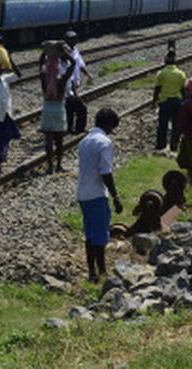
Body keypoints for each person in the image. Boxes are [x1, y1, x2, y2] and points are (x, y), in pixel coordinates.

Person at [76, 107, 124, 282]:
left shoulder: (85, 141)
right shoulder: (104, 142)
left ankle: (92, 272)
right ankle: (102, 271)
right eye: (112, 128)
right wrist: (116, 197)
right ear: (108, 124)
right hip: (97, 194)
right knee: (101, 235)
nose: (112, 132)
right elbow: (106, 172)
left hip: (82, 193)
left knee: (90, 235)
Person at [39, 41, 77, 173]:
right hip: (59, 108)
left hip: (47, 108)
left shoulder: (44, 78)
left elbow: (40, 63)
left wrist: (46, 52)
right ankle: (59, 165)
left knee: (48, 140)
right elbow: (73, 64)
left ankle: (49, 166)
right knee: (59, 140)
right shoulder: (61, 80)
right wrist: (65, 54)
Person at [152, 51, 187, 152]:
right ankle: (173, 146)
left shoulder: (161, 73)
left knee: (162, 124)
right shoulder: (181, 74)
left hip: (165, 102)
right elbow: (183, 90)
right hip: (177, 102)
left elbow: (157, 89)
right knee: (176, 125)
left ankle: (160, 145)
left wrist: (154, 102)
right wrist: (184, 102)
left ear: (165, 61)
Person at [63, 30, 93, 134]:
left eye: (75, 39)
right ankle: (79, 128)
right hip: (69, 86)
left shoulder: (75, 50)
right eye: (71, 39)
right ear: (66, 40)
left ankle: (70, 128)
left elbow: (80, 64)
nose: (74, 41)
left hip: (74, 84)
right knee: (82, 108)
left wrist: (87, 74)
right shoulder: (64, 53)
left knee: (70, 108)